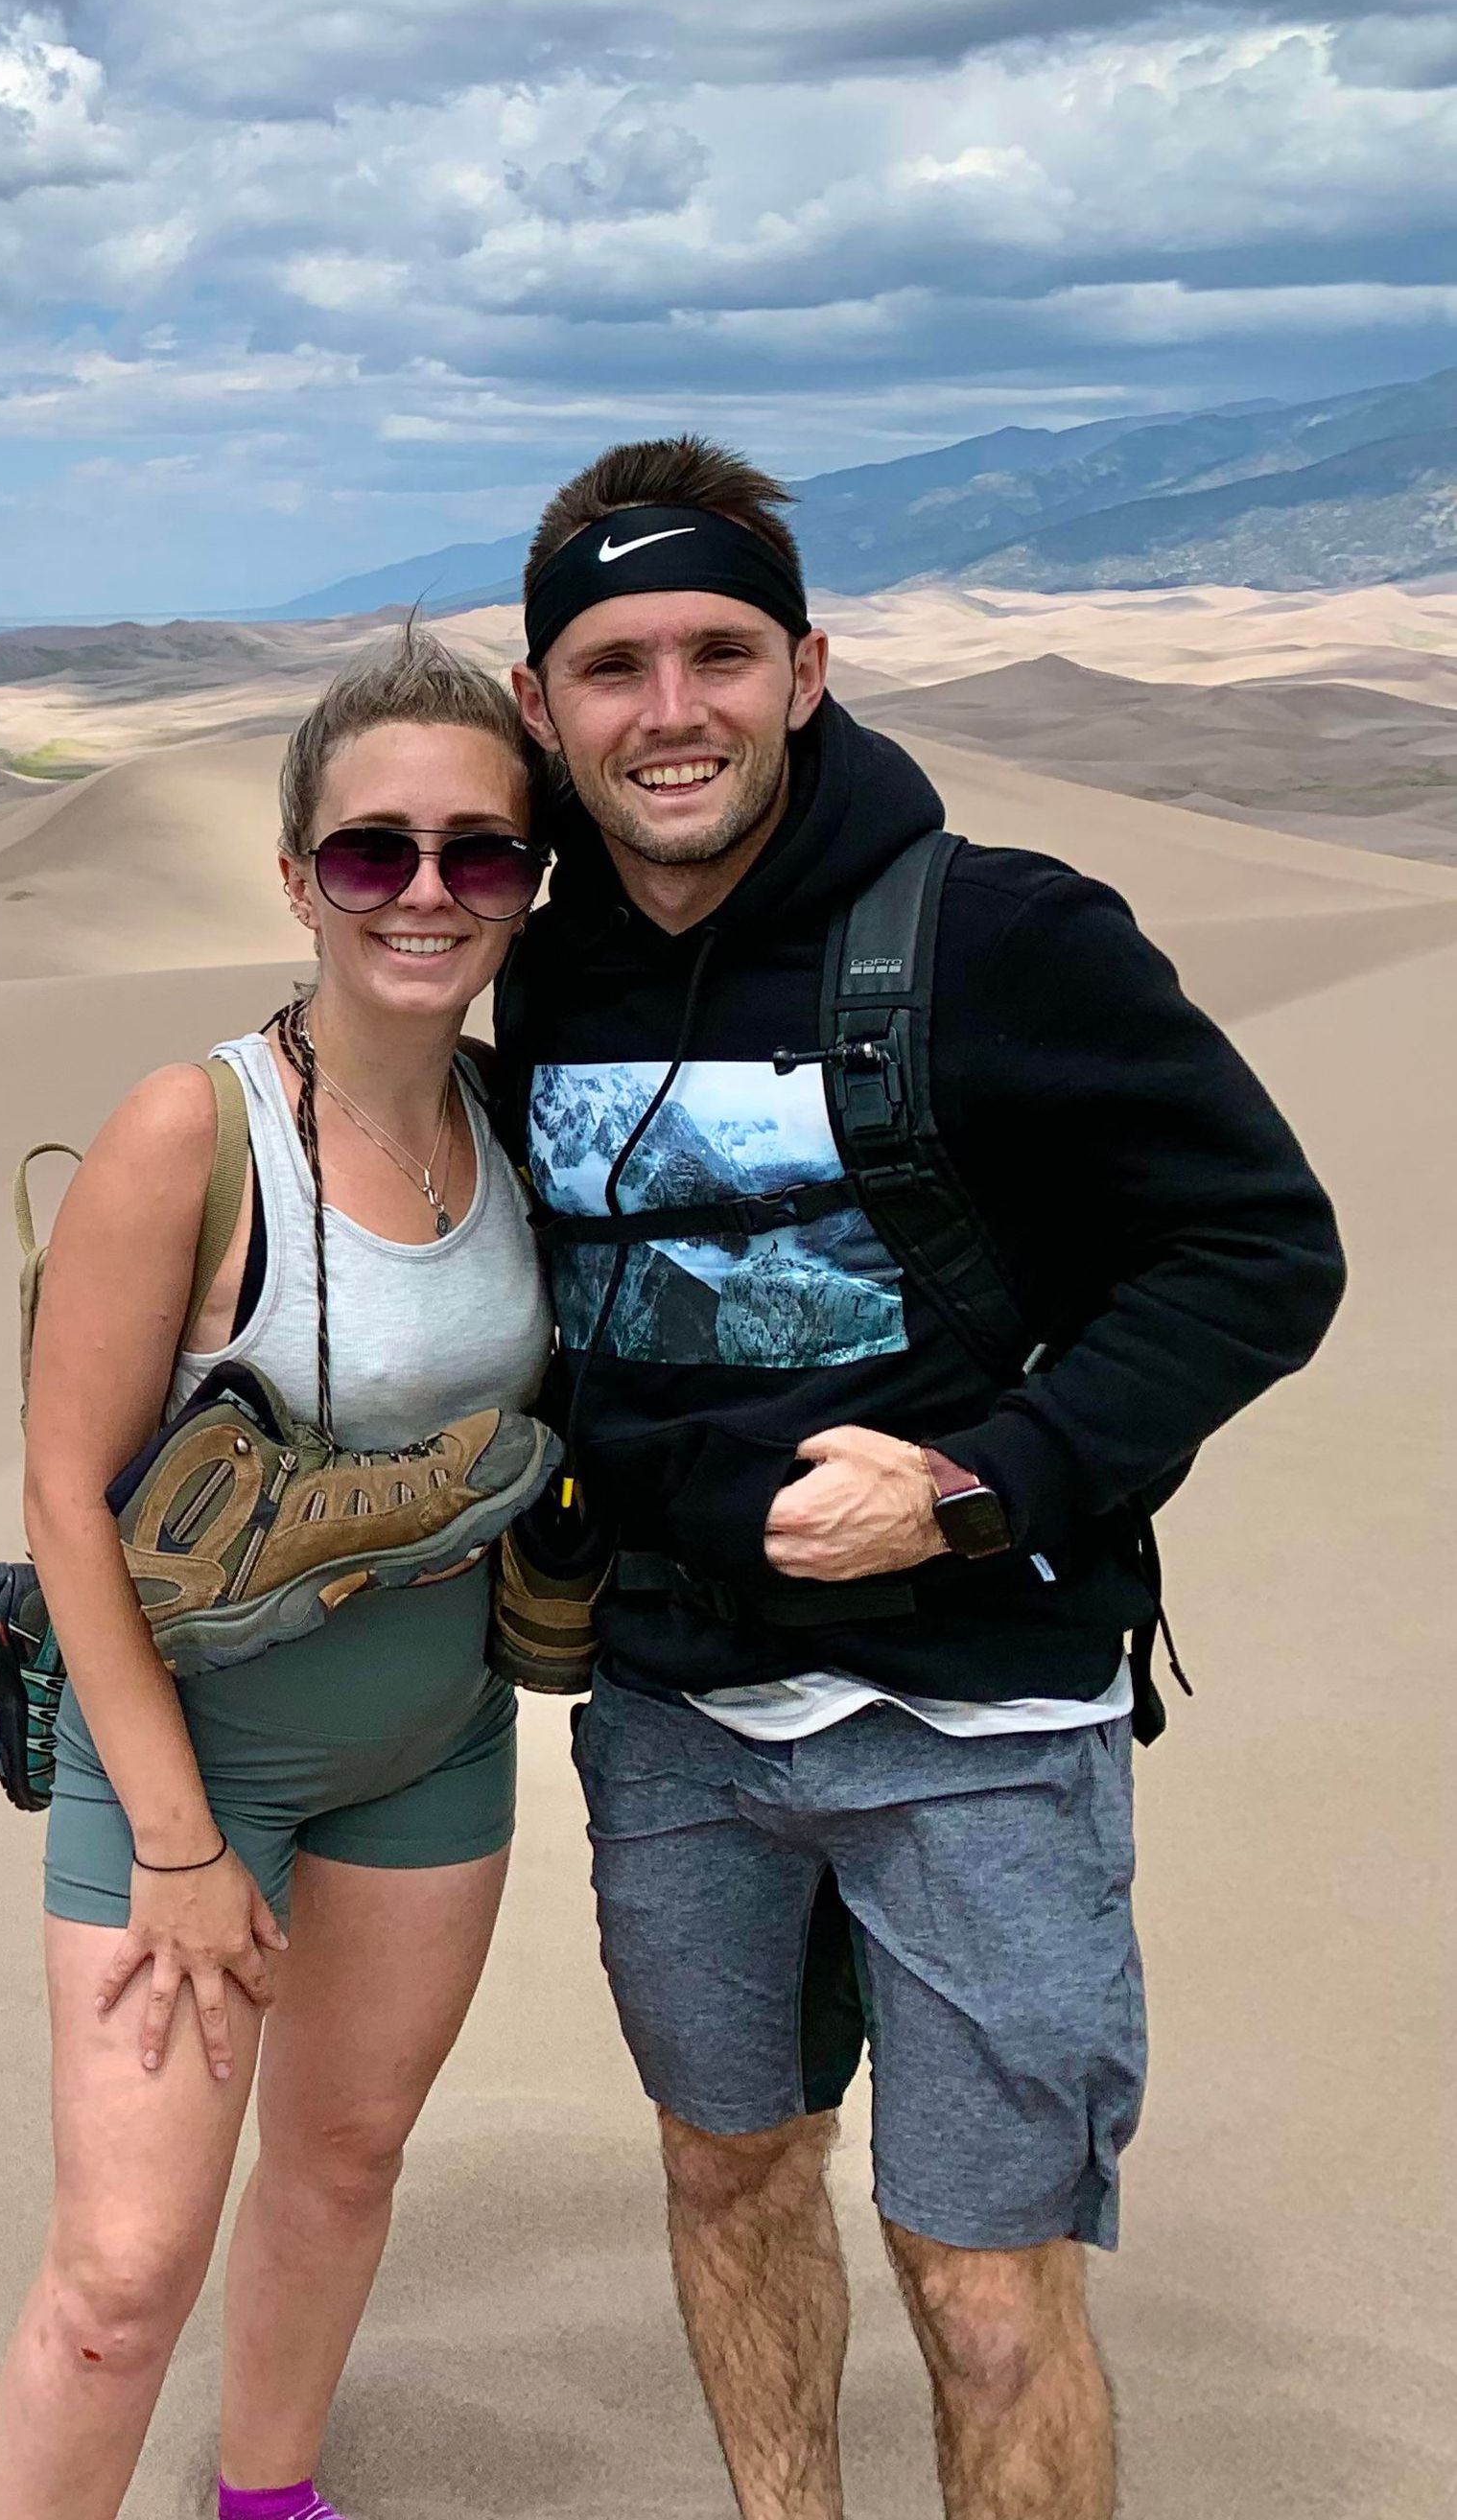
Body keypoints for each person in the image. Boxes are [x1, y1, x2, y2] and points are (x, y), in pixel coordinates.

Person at [492, 439, 1345, 2520]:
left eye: (713, 651)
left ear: (803, 668)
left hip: (973, 1722)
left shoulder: (1006, 941)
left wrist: (979, 1481)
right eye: (611, 664)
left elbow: (1256, 1252)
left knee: (978, 2282)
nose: (664, 708)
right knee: (723, 2182)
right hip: (673, 1718)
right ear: (540, 709)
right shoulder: (535, 967)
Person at [0, 625, 553, 2520]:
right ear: (294, 873)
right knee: (118, 2278)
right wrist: (171, 1841)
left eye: (474, 853)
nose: (420, 893)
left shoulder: (514, 1121)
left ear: (526, 883)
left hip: (436, 1746)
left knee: (343, 2159)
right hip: (188, 1769)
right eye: (367, 851)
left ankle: (266, 2500)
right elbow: (65, 1498)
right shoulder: (192, 1127)